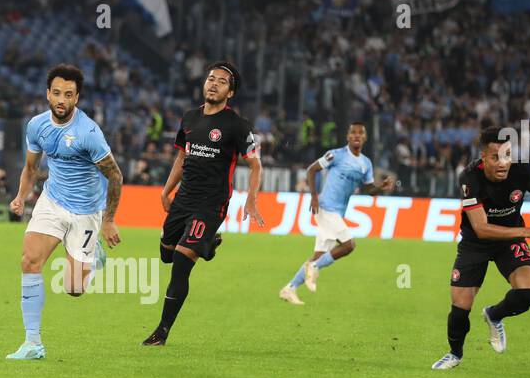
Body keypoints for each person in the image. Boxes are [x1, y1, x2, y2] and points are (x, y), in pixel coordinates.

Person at [142, 61, 264, 347]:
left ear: (230, 92)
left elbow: (255, 165)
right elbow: (181, 159)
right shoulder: (189, 118)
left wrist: (251, 200)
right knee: (166, 254)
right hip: (183, 199)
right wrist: (165, 191)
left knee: (182, 262)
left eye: (221, 81)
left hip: (211, 203)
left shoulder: (238, 126)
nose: (214, 83)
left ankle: (162, 331)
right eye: (211, 78)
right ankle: (207, 246)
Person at [6, 64, 123, 361]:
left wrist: (108, 221)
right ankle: (33, 343)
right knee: (30, 260)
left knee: (73, 288)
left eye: (68, 94)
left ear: (77, 98)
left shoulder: (89, 133)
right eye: (56, 93)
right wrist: (21, 196)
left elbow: (116, 176)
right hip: (53, 201)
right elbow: (31, 168)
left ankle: (94, 255)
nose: (61, 99)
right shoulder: (36, 126)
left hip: (86, 211)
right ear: (47, 93)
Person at [431, 124, 530, 370]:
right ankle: (455, 354)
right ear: (483, 157)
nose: (503, 163)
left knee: (528, 293)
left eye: (507, 156)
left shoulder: (524, 171)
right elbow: (481, 228)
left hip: (509, 240)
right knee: (459, 310)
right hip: (475, 244)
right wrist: (526, 231)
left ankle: (494, 315)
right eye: (496, 157)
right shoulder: (470, 178)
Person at [279, 121, 396, 305]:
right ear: (348, 137)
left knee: (319, 254)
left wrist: (380, 187)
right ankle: (314, 268)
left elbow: (368, 190)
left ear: (365, 138)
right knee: (349, 245)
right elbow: (311, 170)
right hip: (325, 207)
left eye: (360, 133)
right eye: (353, 132)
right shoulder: (336, 155)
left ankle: (290, 288)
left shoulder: (366, 164)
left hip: (337, 213)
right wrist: (314, 197)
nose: (357, 135)